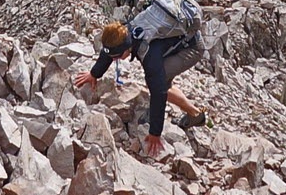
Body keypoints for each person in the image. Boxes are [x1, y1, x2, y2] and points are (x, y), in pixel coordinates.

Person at [74, 18, 207, 157]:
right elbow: (109, 52)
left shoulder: (148, 53)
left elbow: (158, 92)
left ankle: (196, 115)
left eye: (117, 57)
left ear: (126, 48)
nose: (114, 60)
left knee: (159, 81)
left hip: (192, 47)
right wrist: (94, 73)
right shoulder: (123, 32)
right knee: (158, 79)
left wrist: (155, 132)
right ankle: (196, 114)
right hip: (175, 40)